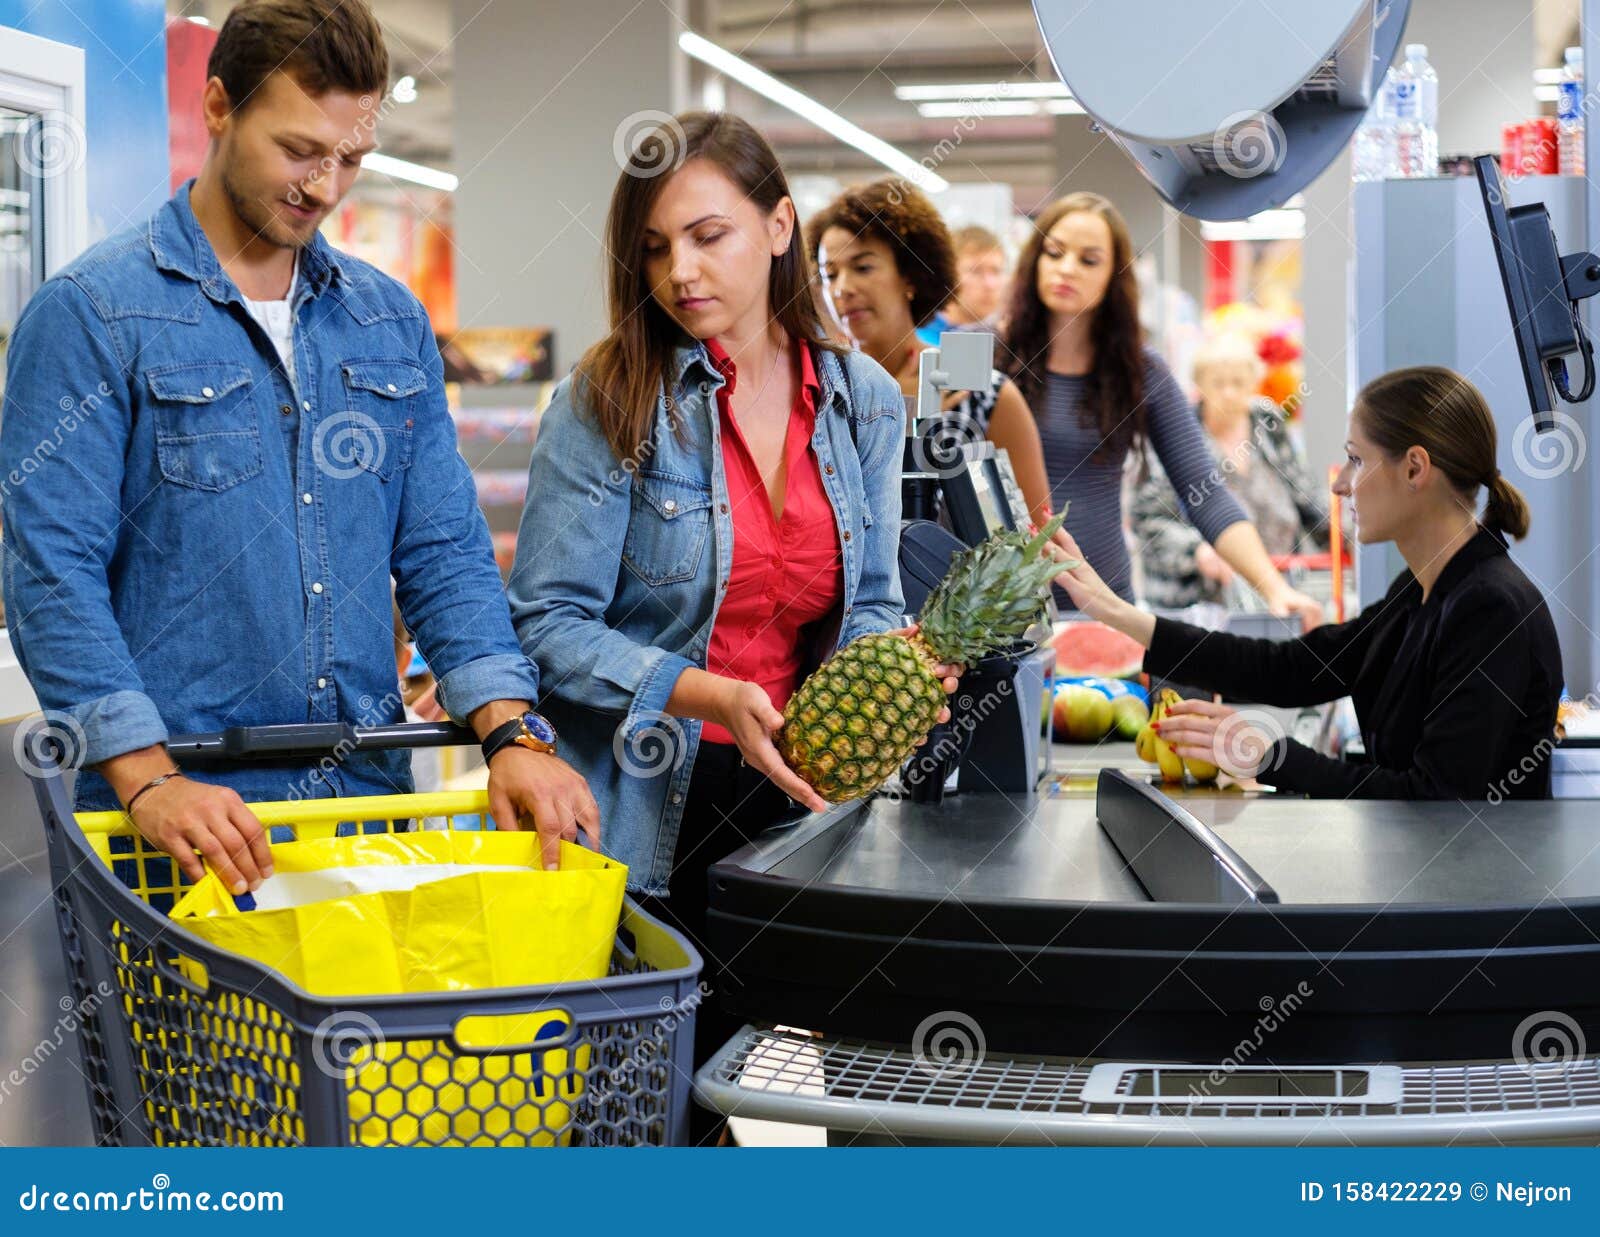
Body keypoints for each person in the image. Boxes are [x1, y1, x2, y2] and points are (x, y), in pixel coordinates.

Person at [0, 0, 596, 894]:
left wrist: (512, 731)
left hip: (364, 809)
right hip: (177, 824)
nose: (323, 184)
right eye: (298, 149)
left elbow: (441, 548)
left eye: (350, 158)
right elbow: (51, 568)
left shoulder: (386, 320)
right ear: (216, 107)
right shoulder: (94, 312)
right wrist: (147, 776)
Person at [506, 112, 958, 1137]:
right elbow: (544, 622)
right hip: (640, 810)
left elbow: (873, 596)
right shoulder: (610, 399)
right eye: (656, 247)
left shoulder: (861, 406)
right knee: (648, 1117)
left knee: (860, 1103)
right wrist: (702, 692)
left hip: (802, 808)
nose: (680, 272)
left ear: (779, 226)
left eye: (708, 236)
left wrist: (886, 672)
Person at [1052, 366, 1562, 799]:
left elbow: (1434, 799)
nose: (1340, 485)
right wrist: (1116, 614)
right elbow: (1293, 668)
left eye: (1356, 460)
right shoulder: (1423, 590)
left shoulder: (1489, 608)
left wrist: (1267, 753)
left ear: (1415, 468)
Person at [1001, 191, 1322, 624]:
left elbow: (1205, 492)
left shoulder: (1138, 369)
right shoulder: (988, 358)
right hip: (997, 611)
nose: (1066, 268)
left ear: (1114, 276)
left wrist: (1273, 587)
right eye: (1054, 252)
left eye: (1088, 260)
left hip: (1102, 606)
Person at [808, 179, 1055, 526]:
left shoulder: (977, 394)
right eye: (829, 274)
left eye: (863, 267)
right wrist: (893, 414)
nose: (843, 289)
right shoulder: (816, 396)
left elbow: (1035, 544)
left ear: (910, 276)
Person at [1131, 333, 1328, 609]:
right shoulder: (1179, 429)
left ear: (1253, 383)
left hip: (1278, 581)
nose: (1229, 392)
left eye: (1238, 382)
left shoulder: (1266, 420)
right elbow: (1147, 519)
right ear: (1199, 385)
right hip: (1202, 600)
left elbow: (1304, 492)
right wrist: (1196, 552)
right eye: (1218, 383)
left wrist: (1343, 535)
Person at [940, 223, 1009, 330]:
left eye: (996, 271)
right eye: (976, 271)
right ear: (948, 274)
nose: (990, 284)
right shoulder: (917, 338)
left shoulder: (1007, 337)